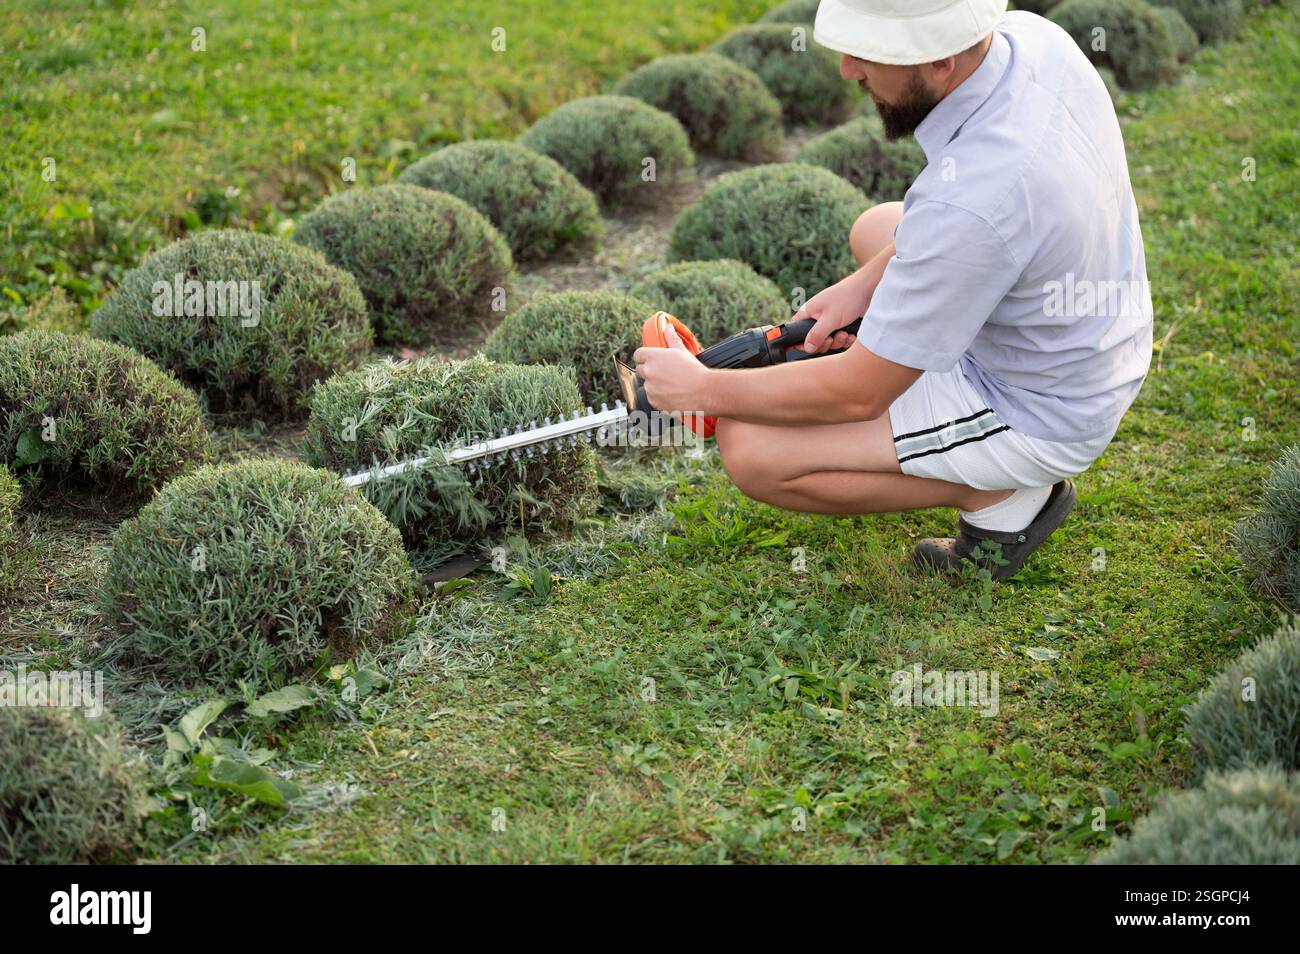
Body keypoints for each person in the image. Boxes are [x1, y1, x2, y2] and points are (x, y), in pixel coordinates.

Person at [633, 0, 1153, 579]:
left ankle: (1004, 499)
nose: (847, 69)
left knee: (753, 451)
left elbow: (857, 394)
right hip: (1094, 324)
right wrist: (861, 287)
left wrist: (706, 391)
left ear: (941, 64)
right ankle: (955, 426)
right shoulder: (1031, 41)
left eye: (870, 54)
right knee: (876, 229)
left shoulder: (976, 199)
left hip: (1041, 405)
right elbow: (961, 226)